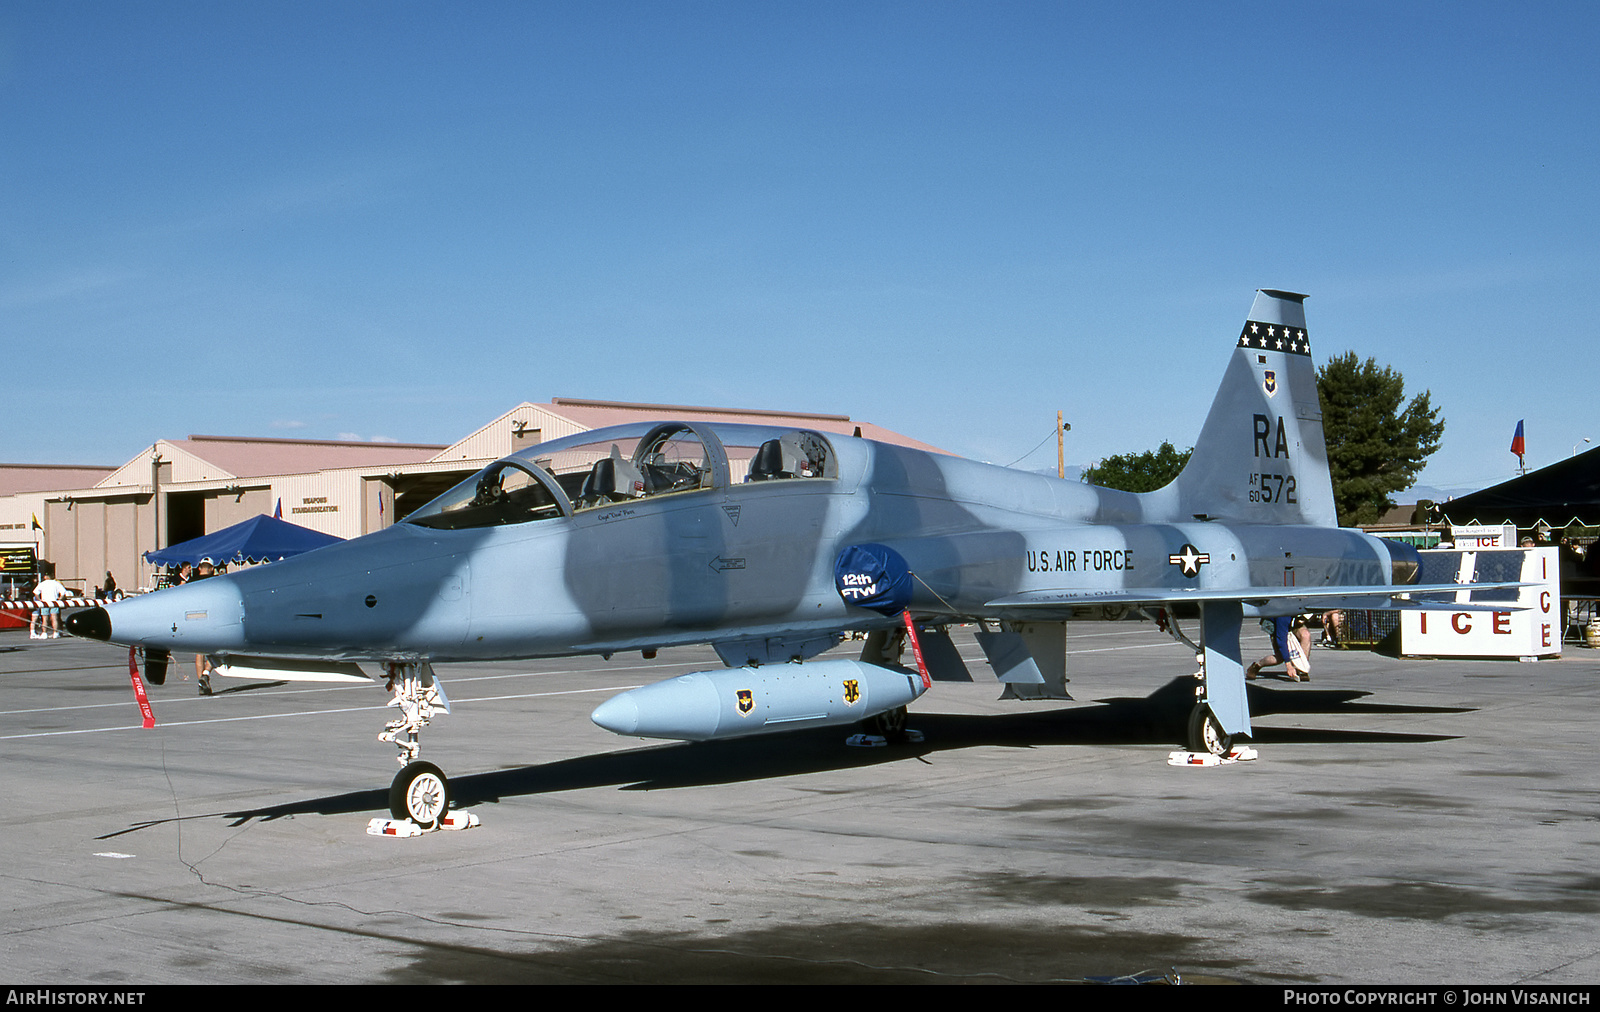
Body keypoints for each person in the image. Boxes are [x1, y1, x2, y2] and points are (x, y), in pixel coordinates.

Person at [1247, 614, 1312, 682]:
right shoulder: (1283, 618)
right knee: (1280, 657)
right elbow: (1281, 642)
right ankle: (1257, 665)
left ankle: (1301, 668)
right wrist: (1289, 666)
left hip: (1292, 620)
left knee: (1305, 634)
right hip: (1276, 623)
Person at [192, 558, 217, 695]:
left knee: (199, 652)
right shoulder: (215, 581)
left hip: (194, 618)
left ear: (200, 567)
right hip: (211, 618)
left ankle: (201, 682)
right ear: (212, 568)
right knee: (218, 650)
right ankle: (205, 674)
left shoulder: (191, 582)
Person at [34, 566, 68, 640]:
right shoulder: (56, 583)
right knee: (54, 618)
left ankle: (44, 633)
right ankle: (55, 633)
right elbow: (63, 592)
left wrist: (39, 600)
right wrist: (59, 599)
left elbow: (36, 592)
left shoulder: (42, 584)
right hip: (54, 602)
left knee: (44, 618)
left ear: (46, 576)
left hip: (45, 602)